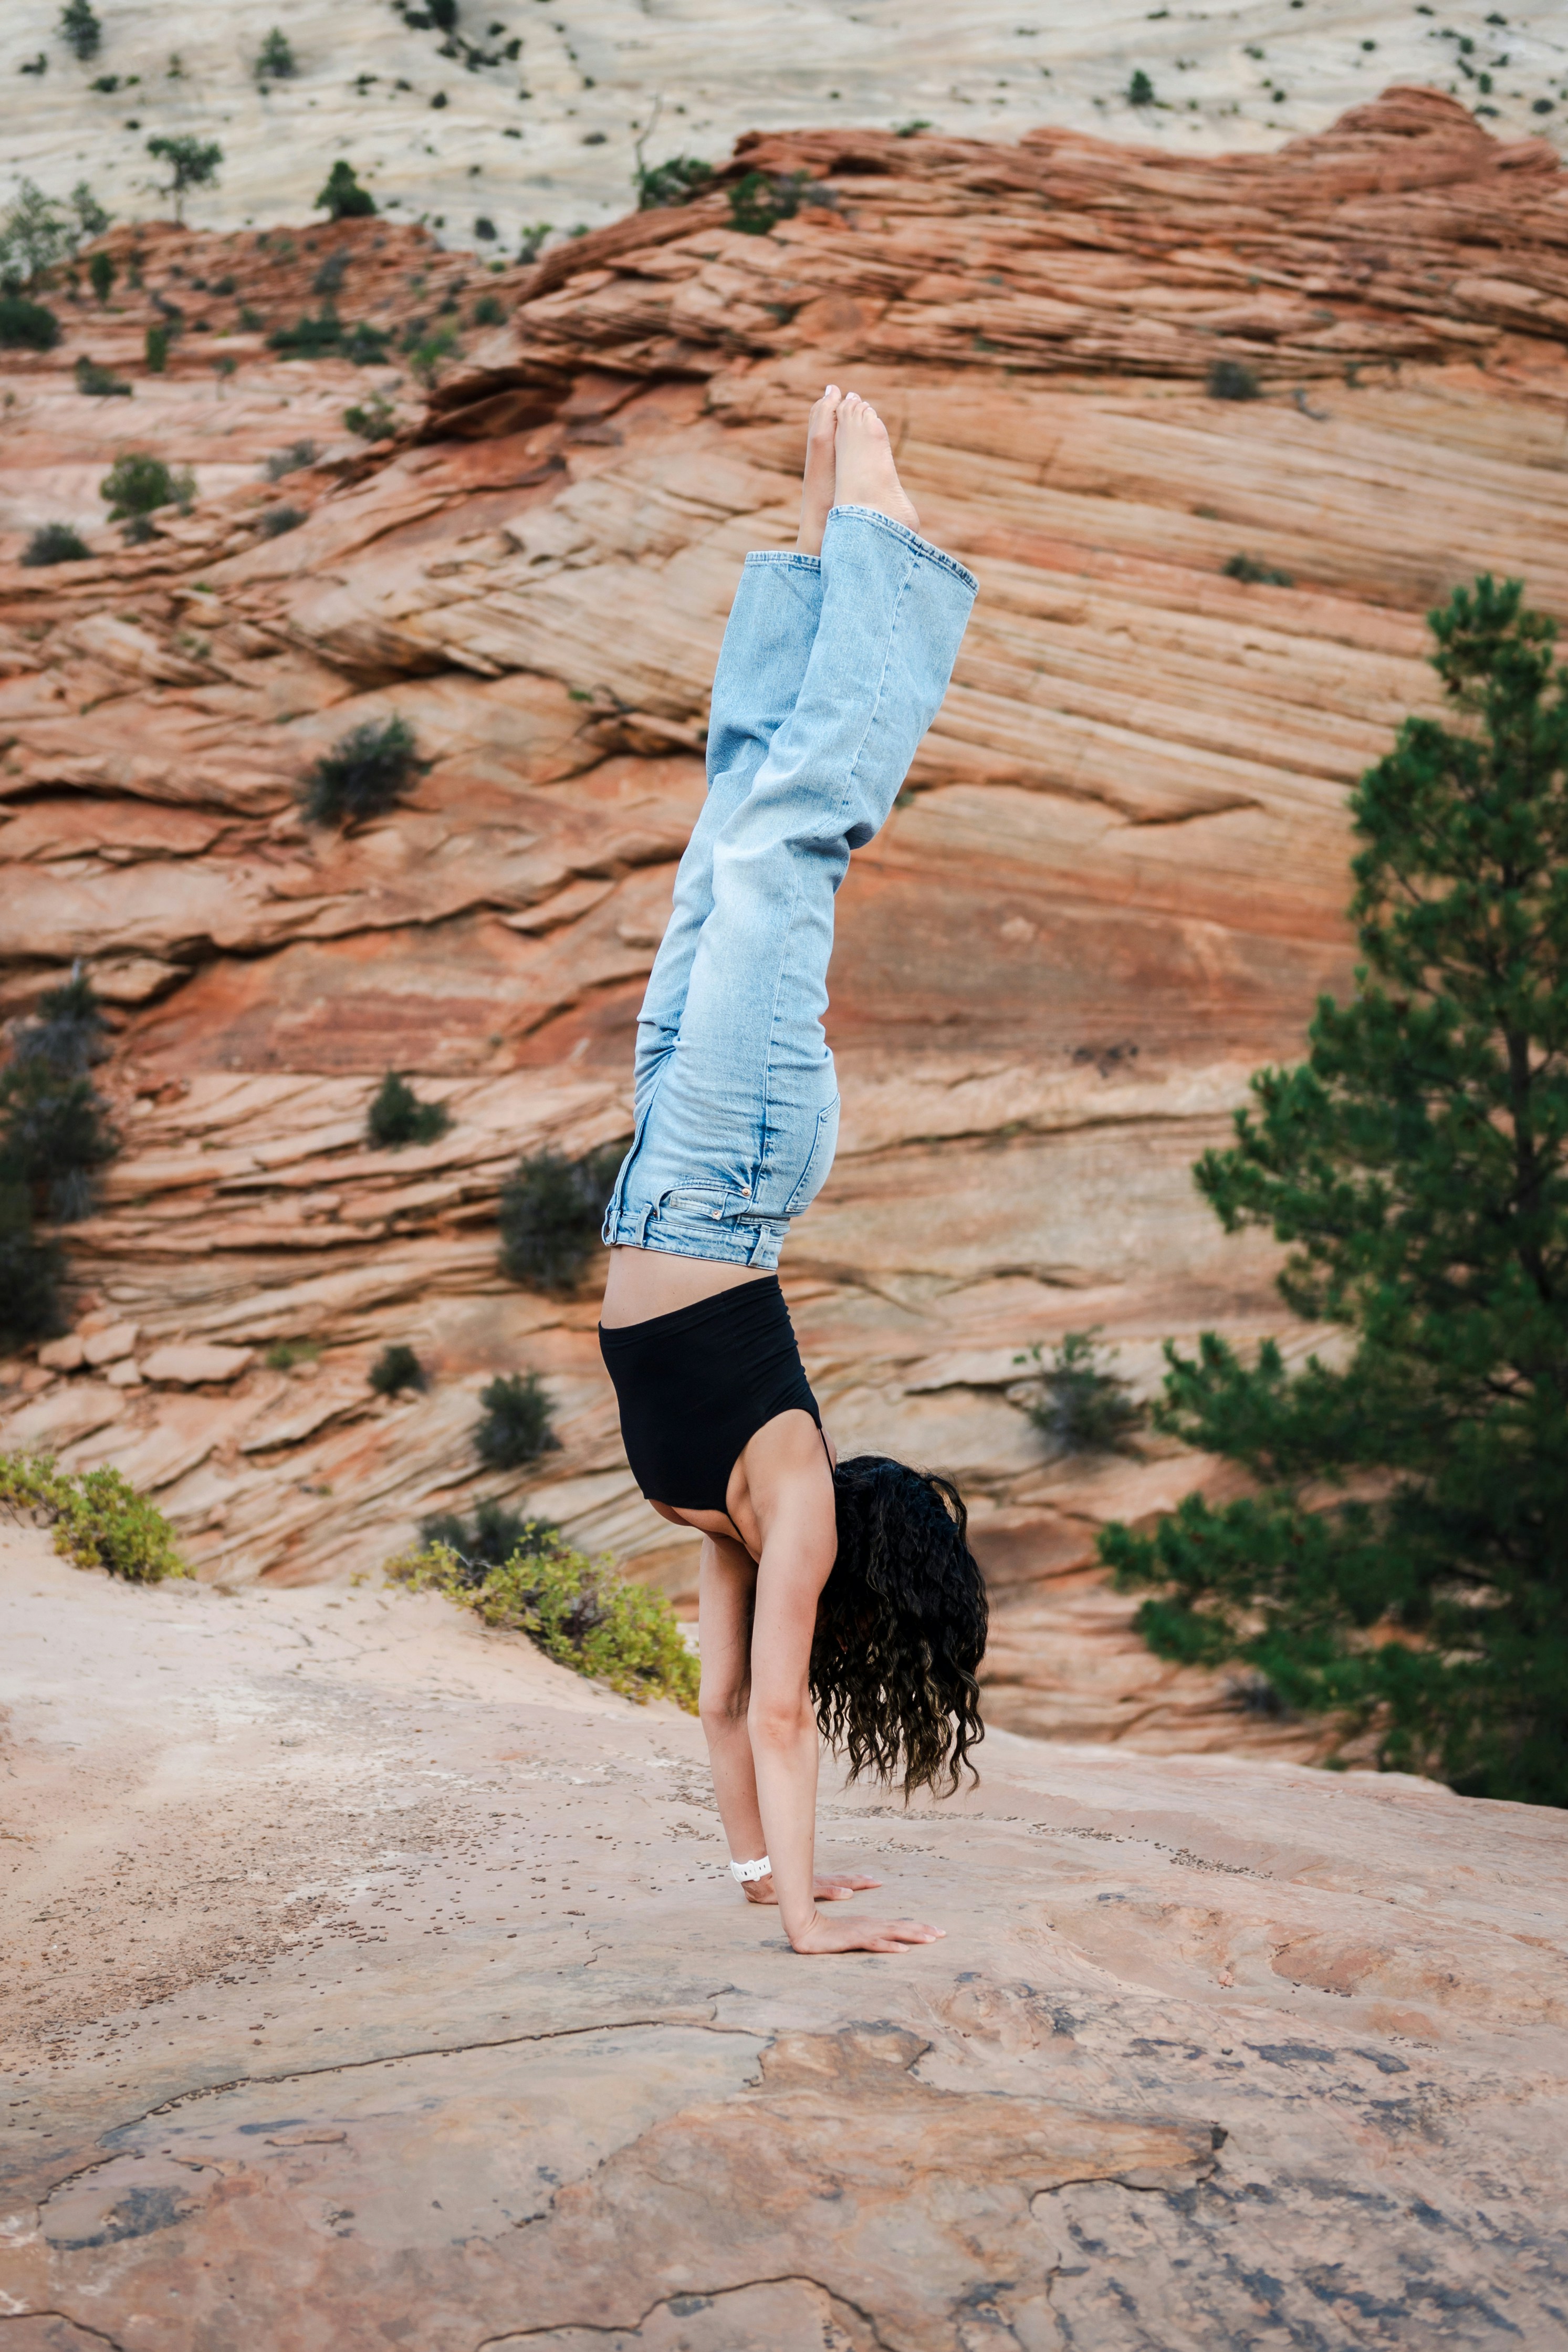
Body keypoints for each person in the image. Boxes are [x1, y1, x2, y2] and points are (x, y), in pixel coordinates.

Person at [599, 388, 987, 1957]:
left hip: (665, 1163)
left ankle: (815, 561)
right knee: (788, 849)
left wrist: (773, 1890)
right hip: (731, 1168)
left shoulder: (733, 1517)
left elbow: (713, 1709)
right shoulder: (789, 1500)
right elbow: (773, 1717)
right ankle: (885, 554)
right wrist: (812, 1932)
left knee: (724, 830)